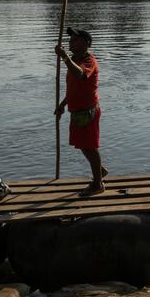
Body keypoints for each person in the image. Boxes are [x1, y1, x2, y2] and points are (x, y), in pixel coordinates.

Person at [54, 27, 107, 195]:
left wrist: (64, 58)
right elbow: (74, 88)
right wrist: (63, 104)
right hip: (77, 110)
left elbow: (81, 75)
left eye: (75, 40)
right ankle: (100, 171)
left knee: (90, 147)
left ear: (86, 43)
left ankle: (98, 184)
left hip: (88, 111)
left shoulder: (89, 61)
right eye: (71, 40)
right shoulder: (75, 60)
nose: (71, 42)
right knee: (83, 146)